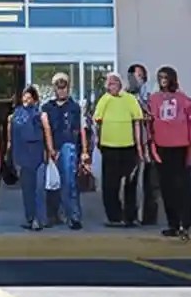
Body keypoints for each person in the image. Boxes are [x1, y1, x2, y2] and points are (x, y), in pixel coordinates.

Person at [149, 66, 191, 238]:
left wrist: (190, 149)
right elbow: (150, 124)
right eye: (160, 77)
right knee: (166, 187)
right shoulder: (154, 99)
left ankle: (185, 222)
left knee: (182, 186)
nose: (163, 80)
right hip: (162, 146)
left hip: (180, 147)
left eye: (166, 77)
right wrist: (152, 147)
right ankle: (173, 223)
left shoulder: (184, 100)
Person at [93, 72, 144, 227]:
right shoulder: (104, 99)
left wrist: (139, 146)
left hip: (128, 147)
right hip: (109, 147)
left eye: (115, 82)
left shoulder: (130, 99)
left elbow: (137, 122)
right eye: (109, 83)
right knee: (110, 184)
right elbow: (97, 122)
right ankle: (114, 216)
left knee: (130, 183)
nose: (112, 85)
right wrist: (98, 141)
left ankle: (130, 216)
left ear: (121, 84)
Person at [44, 72, 86, 230]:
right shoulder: (47, 107)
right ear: (54, 88)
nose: (61, 90)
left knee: (69, 182)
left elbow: (80, 129)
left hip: (69, 146)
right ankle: (55, 214)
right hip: (51, 148)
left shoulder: (74, 107)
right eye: (58, 87)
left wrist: (84, 151)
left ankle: (73, 215)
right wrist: (49, 149)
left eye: (64, 87)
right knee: (51, 184)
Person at [8, 85, 52, 231]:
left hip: (38, 154)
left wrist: (50, 150)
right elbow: (11, 136)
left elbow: (47, 132)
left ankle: (40, 219)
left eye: (29, 97)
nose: (26, 100)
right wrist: (12, 154)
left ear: (35, 99)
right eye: (24, 97)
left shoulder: (40, 114)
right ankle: (30, 218)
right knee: (27, 189)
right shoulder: (16, 115)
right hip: (22, 155)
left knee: (39, 189)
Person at [128, 63, 159, 226]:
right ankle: (131, 214)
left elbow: (152, 114)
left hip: (150, 143)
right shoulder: (126, 95)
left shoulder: (151, 94)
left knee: (151, 182)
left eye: (139, 76)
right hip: (132, 143)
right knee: (131, 181)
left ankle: (149, 216)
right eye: (133, 76)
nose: (136, 79)